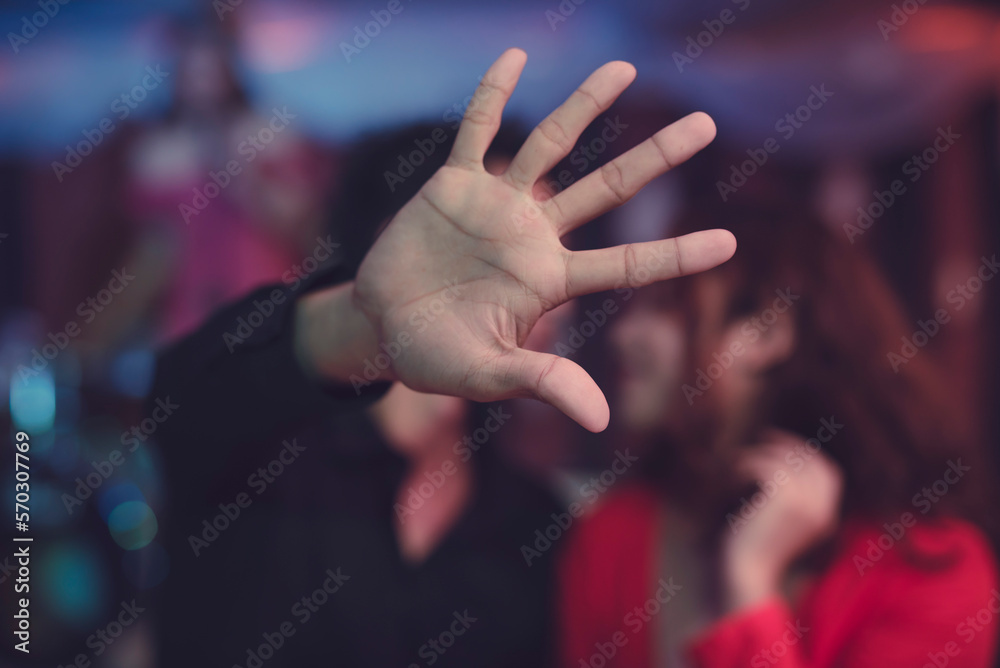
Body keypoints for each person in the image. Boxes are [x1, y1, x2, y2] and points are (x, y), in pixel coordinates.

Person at [150, 48, 736, 667]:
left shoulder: (535, 524)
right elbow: (187, 395)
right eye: (501, 248)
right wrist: (370, 324)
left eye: (555, 250)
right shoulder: (259, 451)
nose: (546, 286)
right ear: (393, 241)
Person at [557, 179, 999, 667]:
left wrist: (749, 587)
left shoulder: (934, 568)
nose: (622, 335)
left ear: (767, 333)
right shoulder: (614, 532)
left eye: (665, 307)